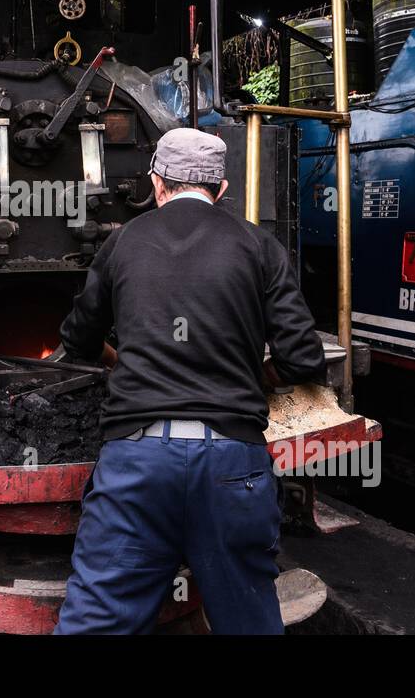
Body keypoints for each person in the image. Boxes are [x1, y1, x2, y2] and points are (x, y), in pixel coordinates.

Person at [53, 127, 325, 635]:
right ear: (221, 191)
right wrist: (251, 374)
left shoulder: (123, 241)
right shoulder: (258, 246)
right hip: (232, 465)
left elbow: (77, 340)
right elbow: (305, 359)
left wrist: (122, 360)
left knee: (96, 625)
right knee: (249, 624)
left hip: (137, 465)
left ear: (157, 183)